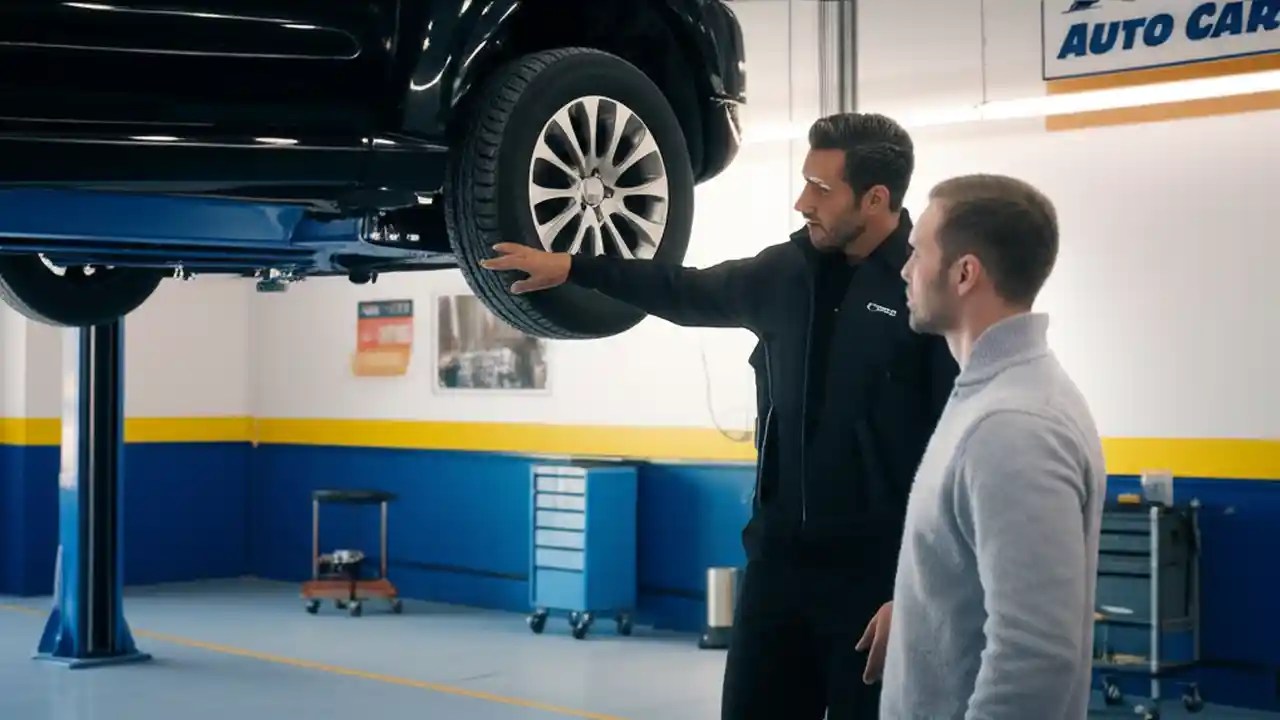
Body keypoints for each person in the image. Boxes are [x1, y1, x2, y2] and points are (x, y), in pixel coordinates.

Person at [481, 112, 958, 719]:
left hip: (876, 586)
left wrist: (914, 591)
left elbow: (952, 457)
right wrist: (577, 267)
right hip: (777, 569)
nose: (801, 201)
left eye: (822, 188)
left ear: (876, 198)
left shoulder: (926, 289)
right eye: (804, 181)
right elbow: (685, 290)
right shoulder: (784, 274)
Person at [867, 173, 1107, 719]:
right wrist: (920, 610)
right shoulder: (990, 395)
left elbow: (1034, 661)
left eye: (916, 253)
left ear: (964, 273)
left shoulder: (1013, 427)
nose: (904, 271)